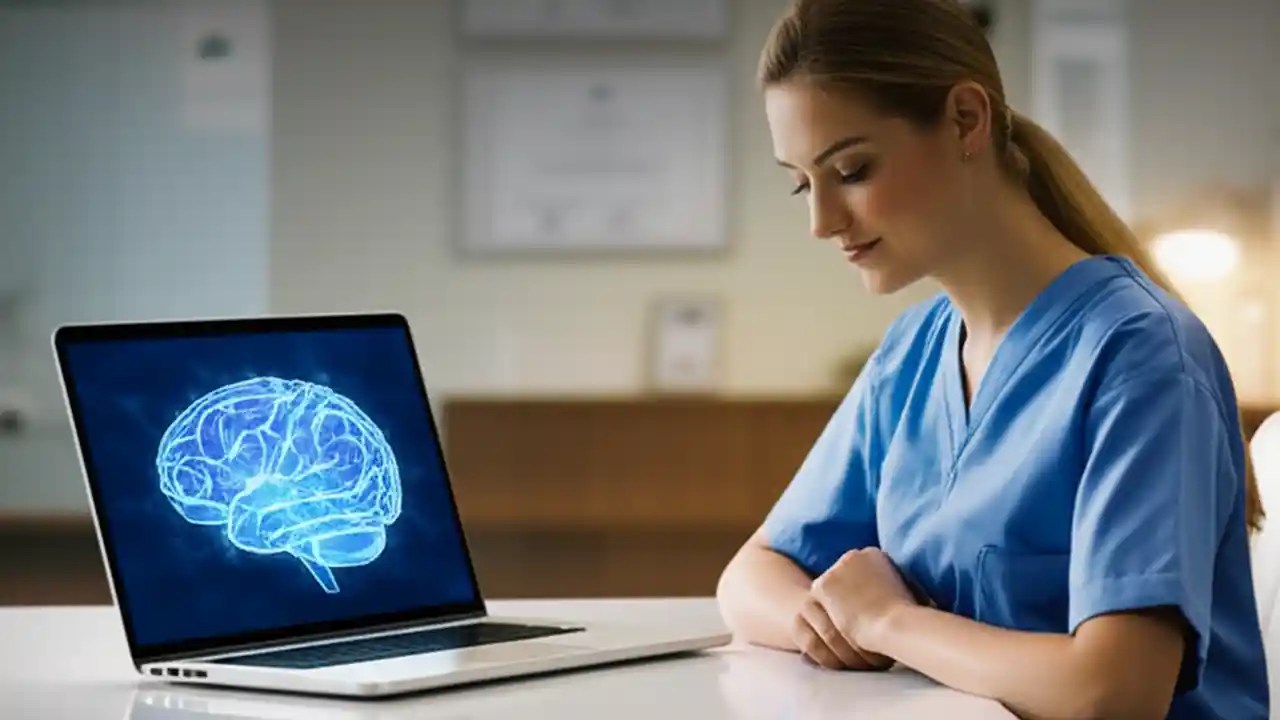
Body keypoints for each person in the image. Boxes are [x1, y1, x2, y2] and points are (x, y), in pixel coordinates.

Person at [714, 1, 1270, 718]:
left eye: (851, 169)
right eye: (801, 182)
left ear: (966, 121)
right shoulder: (912, 355)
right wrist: (834, 620)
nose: (821, 221)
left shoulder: (1141, 355)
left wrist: (890, 622)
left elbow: (1115, 691)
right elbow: (751, 577)